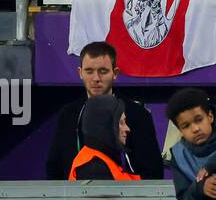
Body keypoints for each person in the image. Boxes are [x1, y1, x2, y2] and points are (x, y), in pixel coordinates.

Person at [47, 41, 164, 180]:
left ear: (115, 73)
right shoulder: (68, 114)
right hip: (74, 198)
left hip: (129, 198)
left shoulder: (138, 114)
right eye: (89, 71)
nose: (96, 78)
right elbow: (55, 168)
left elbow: (153, 172)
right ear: (80, 73)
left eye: (103, 71)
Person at [66, 95, 142, 181]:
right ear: (105, 126)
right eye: (121, 123)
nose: (127, 129)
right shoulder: (94, 168)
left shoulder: (108, 159)